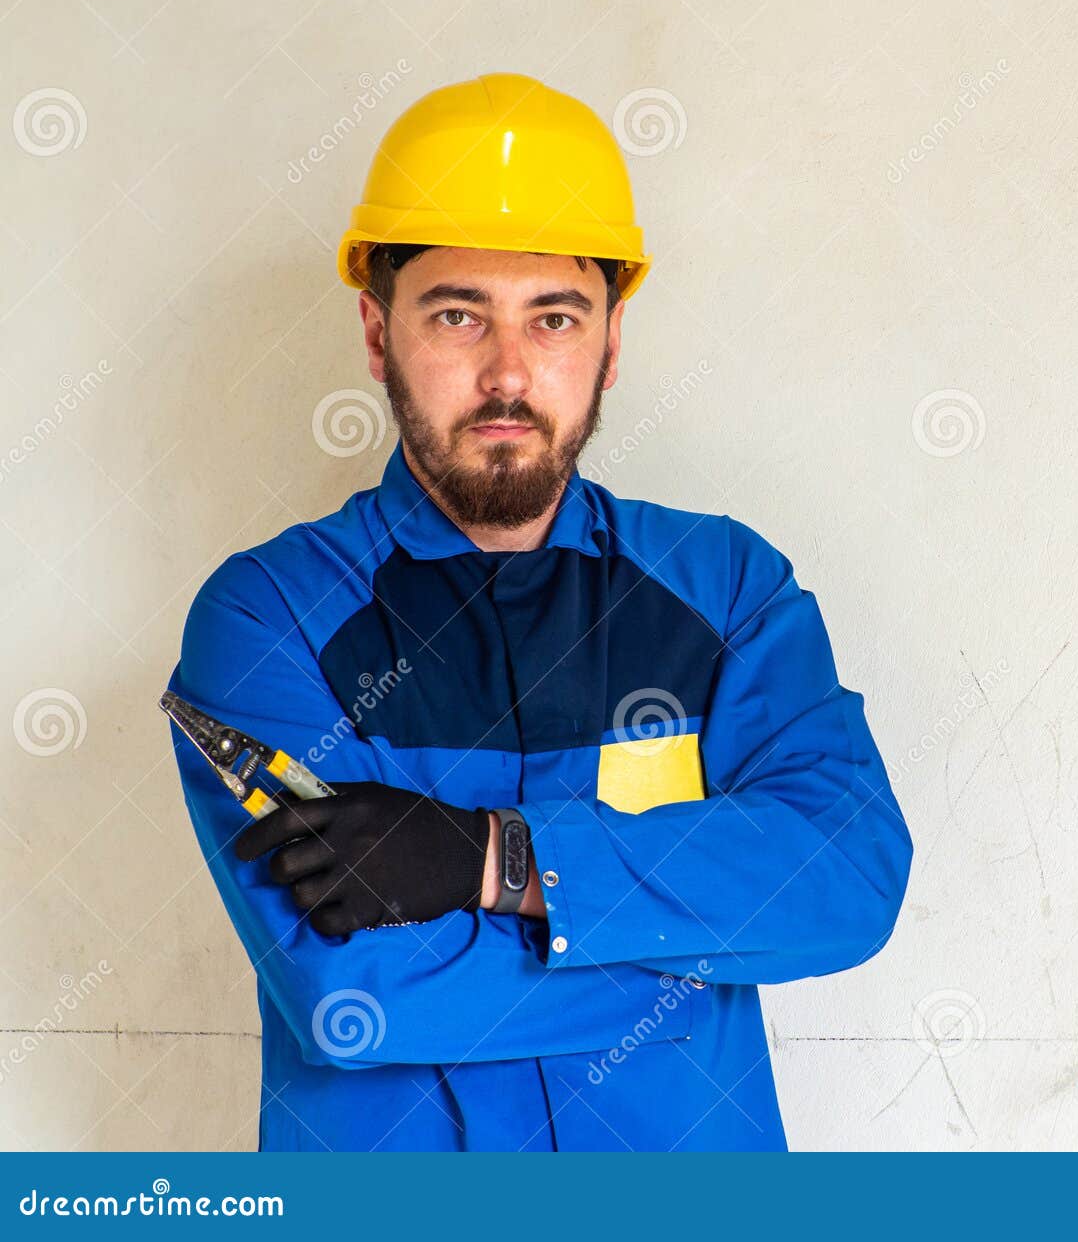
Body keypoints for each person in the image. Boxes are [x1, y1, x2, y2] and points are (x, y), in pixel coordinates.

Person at [165, 73, 913, 1151]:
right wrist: (692, 952)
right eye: (457, 313)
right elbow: (349, 998)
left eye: (553, 318)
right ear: (378, 337)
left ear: (610, 344)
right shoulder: (270, 614)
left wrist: (493, 861)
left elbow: (844, 881)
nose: (507, 373)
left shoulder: (728, 589)